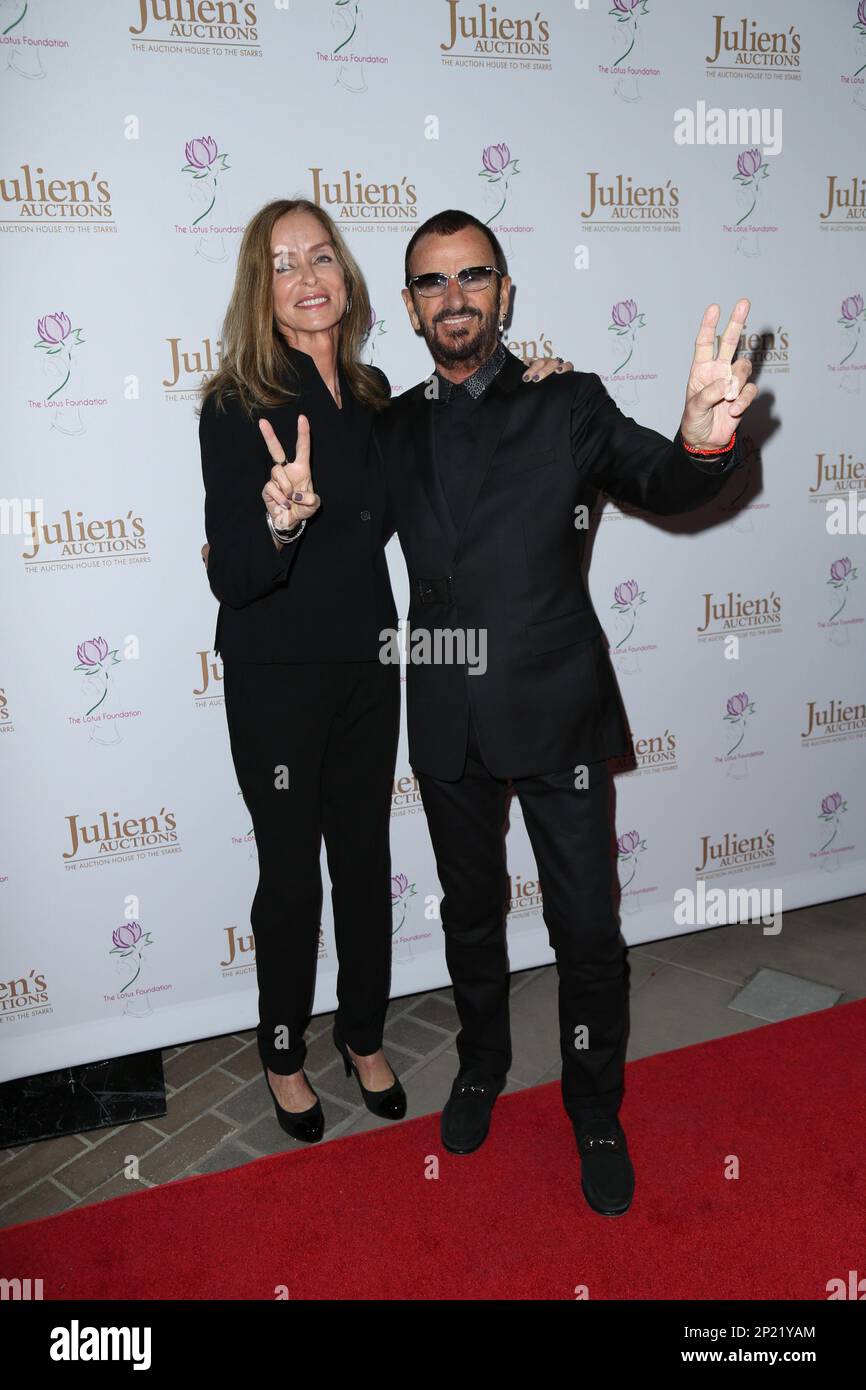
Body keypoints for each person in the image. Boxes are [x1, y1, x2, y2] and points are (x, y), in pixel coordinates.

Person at [367, 209, 755, 1216]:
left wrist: (701, 443)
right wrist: (258, 529)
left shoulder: (567, 401)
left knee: (585, 927)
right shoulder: (390, 427)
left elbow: (656, 479)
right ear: (410, 307)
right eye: (431, 282)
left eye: (472, 276)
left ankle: (592, 1105)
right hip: (445, 704)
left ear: (503, 291)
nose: (453, 296)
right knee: (467, 913)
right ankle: (480, 1065)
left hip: (555, 703)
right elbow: (333, 542)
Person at [198, 198, 566, 1142]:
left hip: (369, 666)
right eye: (284, 264)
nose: (309, 275)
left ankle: (362, 1034)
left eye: (322, 255)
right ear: (261, 287)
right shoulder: (236, 403)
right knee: (291, 876)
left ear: (349, 277)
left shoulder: (371, 399)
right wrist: (279, 520)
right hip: (278, 677)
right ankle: (283, 1049)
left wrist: (534, 384)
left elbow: (457, 458)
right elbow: (235, 572)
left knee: (364, 862)